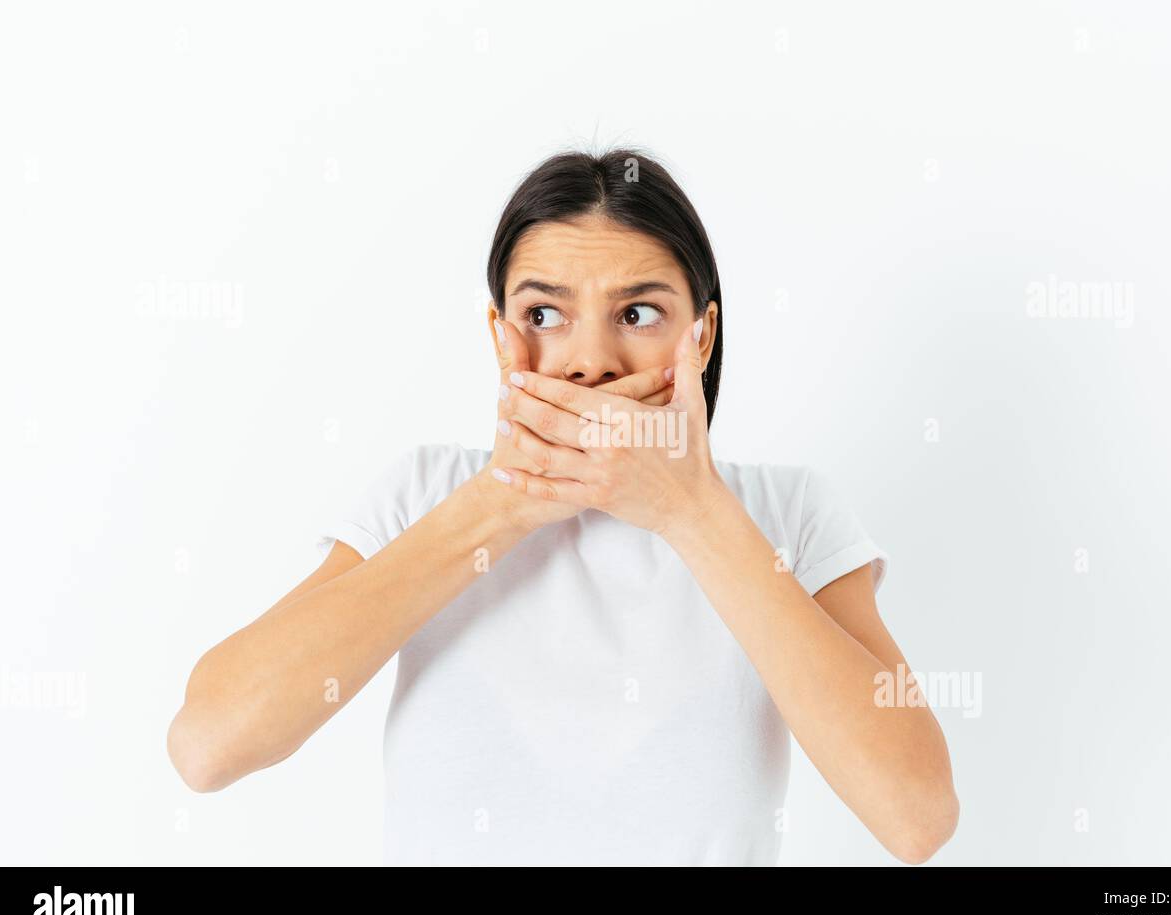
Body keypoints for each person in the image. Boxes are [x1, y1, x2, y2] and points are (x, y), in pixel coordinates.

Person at [167, 147, 960, 866]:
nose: (588, 362)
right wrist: (503, 505)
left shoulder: (787, 513)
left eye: (638, 314)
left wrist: (691, 511)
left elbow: (915, 817)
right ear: (499, 334)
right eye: (544, 315)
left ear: (703, 337)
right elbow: (207, 747)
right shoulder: (424, 495)